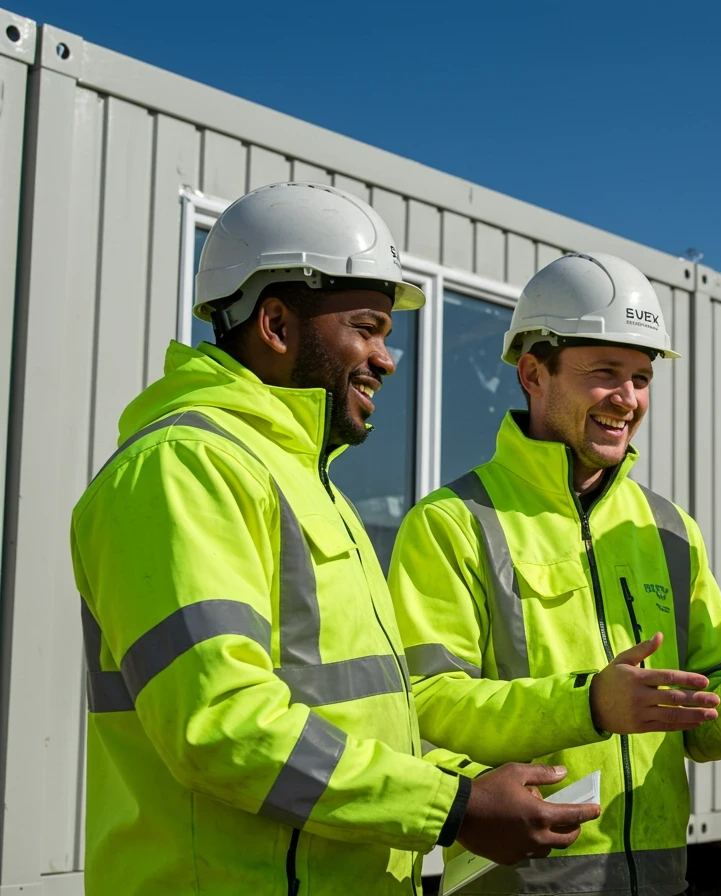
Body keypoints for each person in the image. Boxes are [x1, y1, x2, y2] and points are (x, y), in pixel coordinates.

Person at [71, 182, 598, 896]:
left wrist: (463, 788)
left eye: (387, 333)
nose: (388, 358)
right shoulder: (183, 468)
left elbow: (363, 718)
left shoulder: (304, 483)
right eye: (366, 327)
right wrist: (454, 807)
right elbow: (220, 724)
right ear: (277, 324)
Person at [388, 251, 721, 896]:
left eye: (641, 377)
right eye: (604, 373)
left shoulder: (669, 531)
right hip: (516, 882)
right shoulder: (452, 522)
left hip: (660, 880)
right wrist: (589, 705)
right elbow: (424, 704)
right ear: (532, 372)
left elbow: (701, 724)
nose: (628, 399)